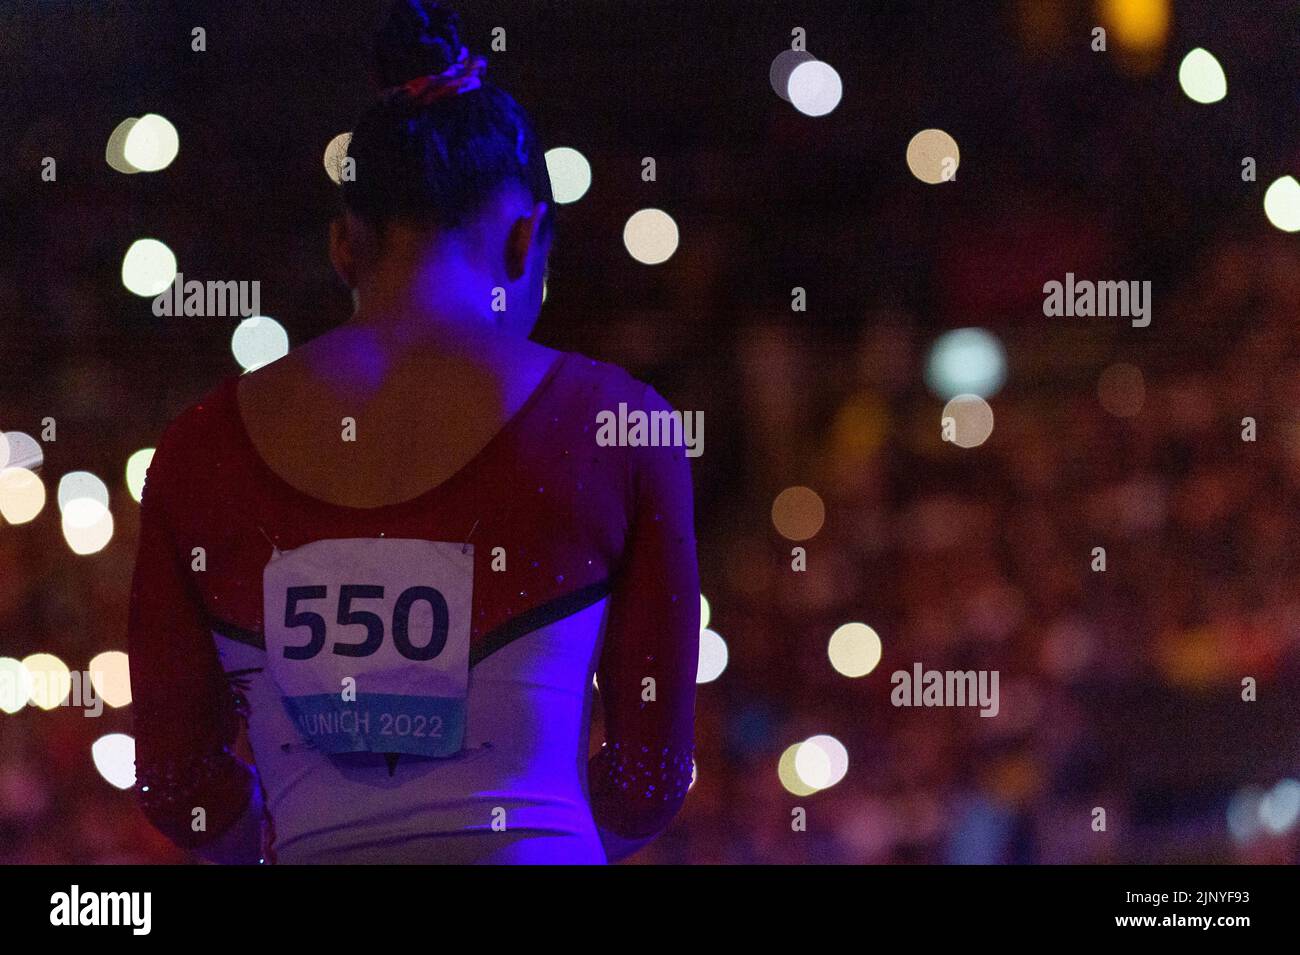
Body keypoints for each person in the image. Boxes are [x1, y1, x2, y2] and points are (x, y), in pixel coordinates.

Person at [126, 0, 699, 864]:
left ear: (343, 249)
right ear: (525, 240)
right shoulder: (617, 426)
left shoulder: (198, 450)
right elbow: (650, 778)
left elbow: (178, 786)